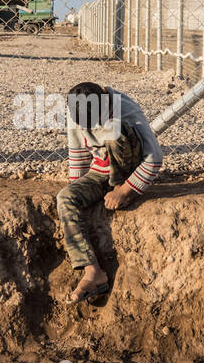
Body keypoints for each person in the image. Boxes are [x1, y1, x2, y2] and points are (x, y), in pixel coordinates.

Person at [57, 82, 163, 303]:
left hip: (127, 172)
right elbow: (77, 154)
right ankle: (92, 271)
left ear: (104, 99)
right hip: (100, 173)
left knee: (116, 131)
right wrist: (79, 192)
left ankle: (121, 187)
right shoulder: (77, 110)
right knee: (65, 198)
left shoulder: (124, 108)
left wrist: (124, 190)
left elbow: (154, 159)